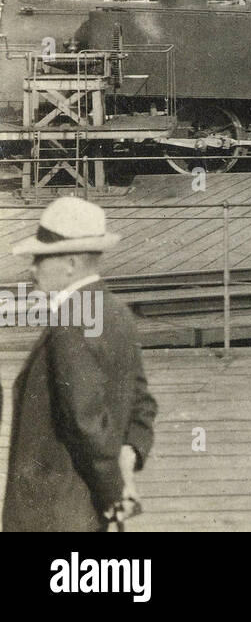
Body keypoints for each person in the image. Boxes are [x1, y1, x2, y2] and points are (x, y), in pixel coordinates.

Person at [3, 197, 157, 532]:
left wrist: (114, 491)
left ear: (71, 262)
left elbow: (83, 420)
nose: (32, 268)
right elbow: (141, 404)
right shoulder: (117, 313)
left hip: (52, 513)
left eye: (40, 258)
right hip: (89, 511)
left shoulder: (71, 321)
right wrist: (126, 466)